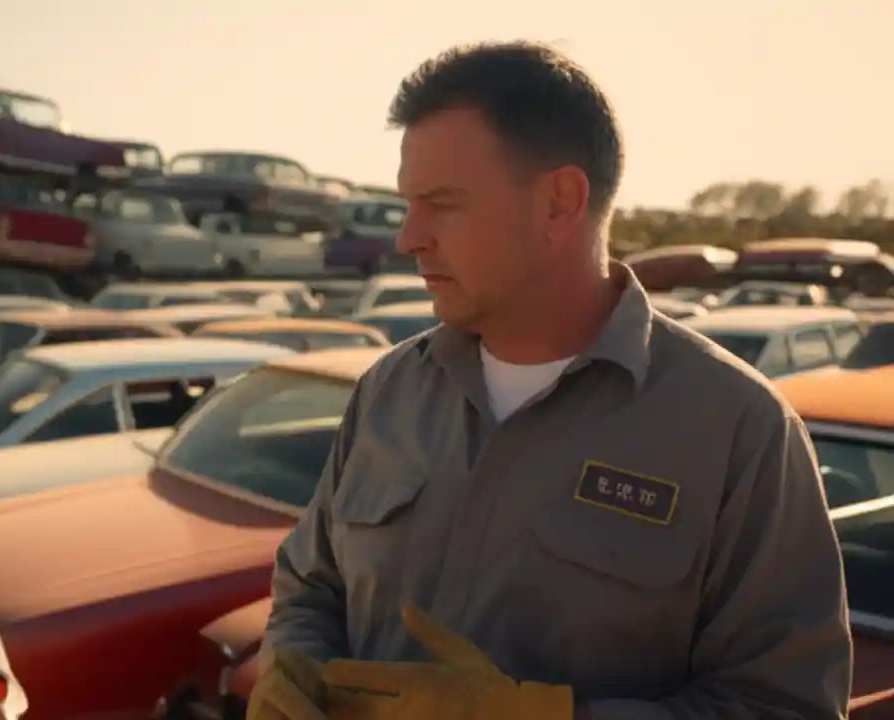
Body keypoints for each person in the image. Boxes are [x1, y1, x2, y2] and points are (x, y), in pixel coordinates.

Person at [249, 41, 851, 719]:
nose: (408, 238)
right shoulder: (389, 390)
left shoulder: (740, 433)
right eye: (407, 205)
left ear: (560, 203)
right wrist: (293, 664)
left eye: (442, 203)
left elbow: (787, 706)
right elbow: (310, 584)